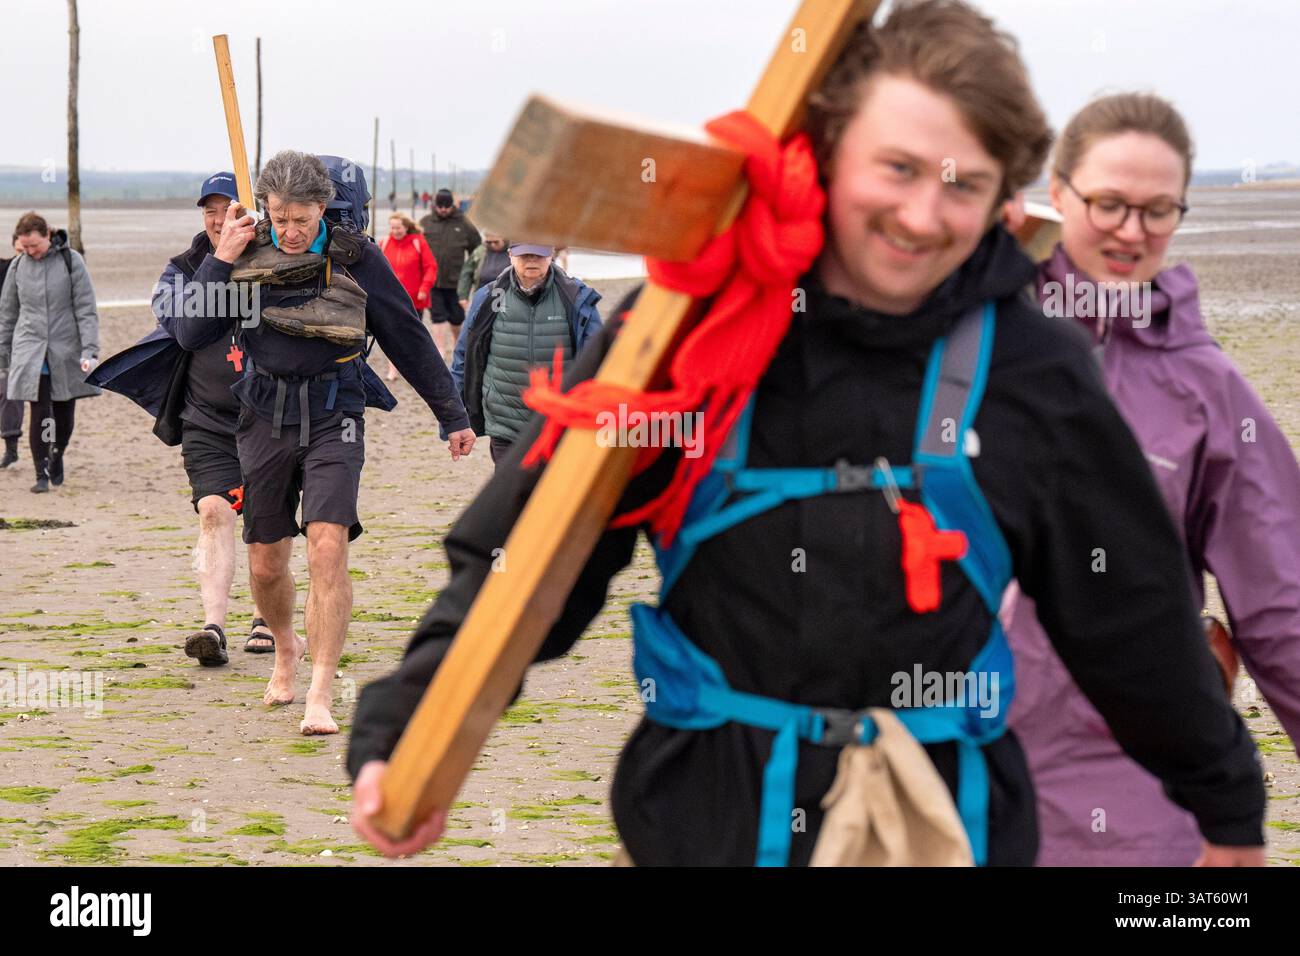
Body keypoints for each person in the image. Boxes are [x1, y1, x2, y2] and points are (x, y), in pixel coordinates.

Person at [347, 0, 1265, 866]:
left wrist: (1226, 807)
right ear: (827, 152)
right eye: (896, 169)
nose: (920, 215)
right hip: (710, 817)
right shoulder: (683, 336)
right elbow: (534, 553)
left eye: (963, 186)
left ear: (1001, 200)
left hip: (949, 819)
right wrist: (411, 725)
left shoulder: (1034, 370)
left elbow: (1131, 618)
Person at [1004, 92, 1300, 866]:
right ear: (1057, 191)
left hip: (1139, 803)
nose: (1132, 232)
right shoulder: (968, 345)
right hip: (955, 785)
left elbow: (1281, 606)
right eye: (1109, 203)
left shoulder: (1207, 391)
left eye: (1158, 210)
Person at [173, 150, 475, 736]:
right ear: (267, 209)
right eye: (279, 217)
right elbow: (190, 332)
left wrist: (452, 414)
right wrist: (221, 260)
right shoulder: (246, 249)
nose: (289, 231)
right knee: (265, 564)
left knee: (328, 545)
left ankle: (320, 690)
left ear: (324, 211)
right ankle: (285, 648)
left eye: (302, 219)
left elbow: (406, 336)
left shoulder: (355, 257)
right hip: (262, 416)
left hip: (336, 413)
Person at [90, 172, 279, 664]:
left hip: (272, 419)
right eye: (209, 211)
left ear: (250, 211)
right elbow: (185, 328)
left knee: (266, 522)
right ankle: (213, 626)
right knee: (214, 511)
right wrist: (221, 261)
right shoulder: (182, 268)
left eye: (229, 208)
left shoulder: (276, 260)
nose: (219, 220)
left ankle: (267, 618)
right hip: (207, 419)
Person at [451, 243, 602, 466]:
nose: (532, 260)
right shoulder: (489, 297)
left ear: (551, 255)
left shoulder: (576, 297)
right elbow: (463, 356)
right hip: (505, 423)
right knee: (512, 498)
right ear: (510, 255)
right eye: (525, 255)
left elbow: (600, 358)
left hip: (560, 423)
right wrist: (454, 418)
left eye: (539, 255)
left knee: (555, 496)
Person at [0, 212, 100, 494]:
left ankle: (57, 453)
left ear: (47, 236)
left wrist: (90, 349)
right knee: (41, 411)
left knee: (64, 413)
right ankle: (40, 471)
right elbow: (8, 314)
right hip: (30, 350)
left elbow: (86, 309)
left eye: (34, 245)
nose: (29, 252)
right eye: (24, 247)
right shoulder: (19, 266)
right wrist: (3, 355)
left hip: (66, 348)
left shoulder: (71, 262)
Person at [418, 188, 481, 355]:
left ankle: (458, 346)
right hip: (432, 280)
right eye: (440, 206)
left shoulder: (464, 223)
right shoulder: (425, 222)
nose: (443, 209)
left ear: (452, 205)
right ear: (435, 205)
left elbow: (477, 248)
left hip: (456, 281)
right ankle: (440, 350)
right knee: (437, 317)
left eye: (446, 206)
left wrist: (470, 273)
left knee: (457, 318)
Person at [380, 212, 437, 382]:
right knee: (391, 335)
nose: (395, 231)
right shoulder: (385, 243)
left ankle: (418, 370)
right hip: (391, 300)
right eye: (392, 228)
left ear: (406, 227)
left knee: (413, 336)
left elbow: (431, 267)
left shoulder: (418, 241)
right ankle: (393, 370)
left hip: (415, 299)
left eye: (398, 227)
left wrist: (424, 288)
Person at [0, 235, 23, 469]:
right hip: (8, 343)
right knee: (7, 394)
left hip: (37, 345)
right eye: (19, 249)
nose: (23, 254)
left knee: (45, 403)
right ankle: (11, 449)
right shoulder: (5, 269)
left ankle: (50, 452)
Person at [456, 231, 510, 310]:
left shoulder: (513, 251)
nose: (492, 245)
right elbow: (466, 273)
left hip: (506, 295)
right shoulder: (480, 251)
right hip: (482, 293)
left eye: (496, 242)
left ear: (504, 239)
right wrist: (463, 296)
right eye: (489, 242)